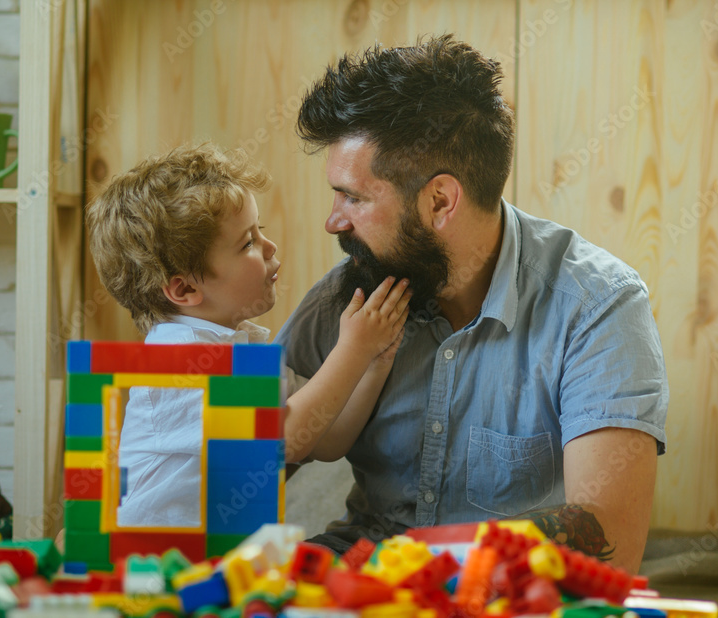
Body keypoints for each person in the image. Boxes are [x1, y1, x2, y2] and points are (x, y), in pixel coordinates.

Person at [275, 35, 669, 573]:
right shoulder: (348, 302)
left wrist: (418, 568)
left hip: (513, 591)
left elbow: (609, 542)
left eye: (354, 197)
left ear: (440, 201)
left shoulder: (597, 307)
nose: (334, 221)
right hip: (354, 575)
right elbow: (249, 468)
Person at [85, 143, 411, 527]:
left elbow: (329, 439)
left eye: (261, 231)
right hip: (144, 558)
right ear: (185, 290)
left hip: (210, 560)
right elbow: (287, 440)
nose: (270, 247)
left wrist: (375, 363)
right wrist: (354, 350)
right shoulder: (181, 360)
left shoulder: (242, 347)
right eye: (247, 243)